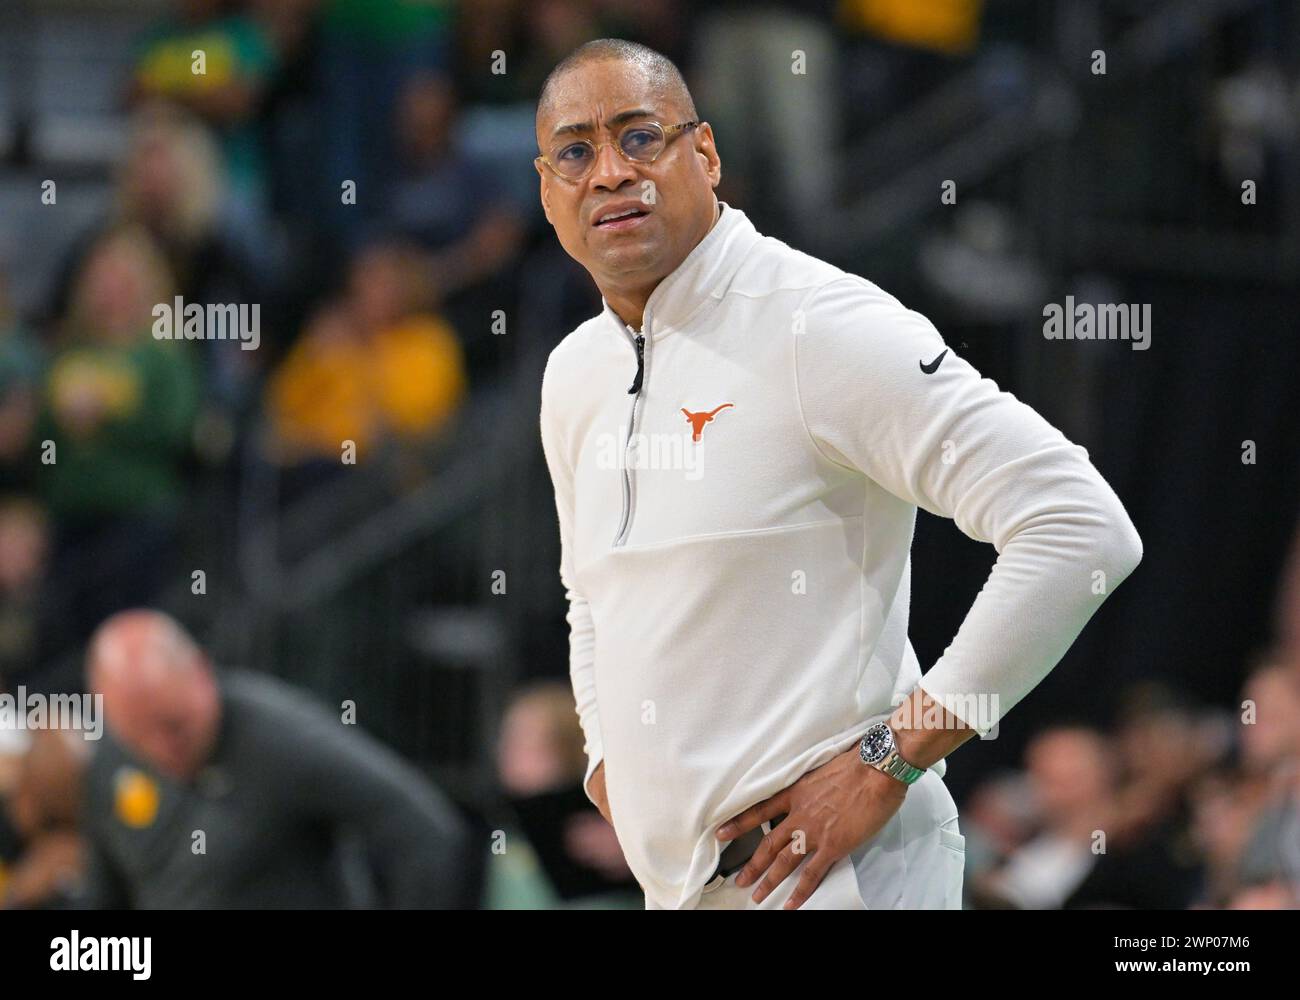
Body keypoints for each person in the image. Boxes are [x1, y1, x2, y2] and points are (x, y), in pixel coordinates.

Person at [534, 38, 1143, 910]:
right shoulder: (573, 373)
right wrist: (604, 761)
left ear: (705, 154)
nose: (609, 173)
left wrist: (894, 759)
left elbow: (1078, 523)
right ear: (546, 187)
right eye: (576, 151)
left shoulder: (816, 324)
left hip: (840, 879)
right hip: (692, 889)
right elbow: (587, 594)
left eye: (640, 137)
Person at [80, 609, 474, 908]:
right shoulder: (110, 761)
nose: (161, 748)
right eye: (137, 735)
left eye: (175, 725)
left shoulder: (279, 739)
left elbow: (424, 832)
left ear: (200, 672)